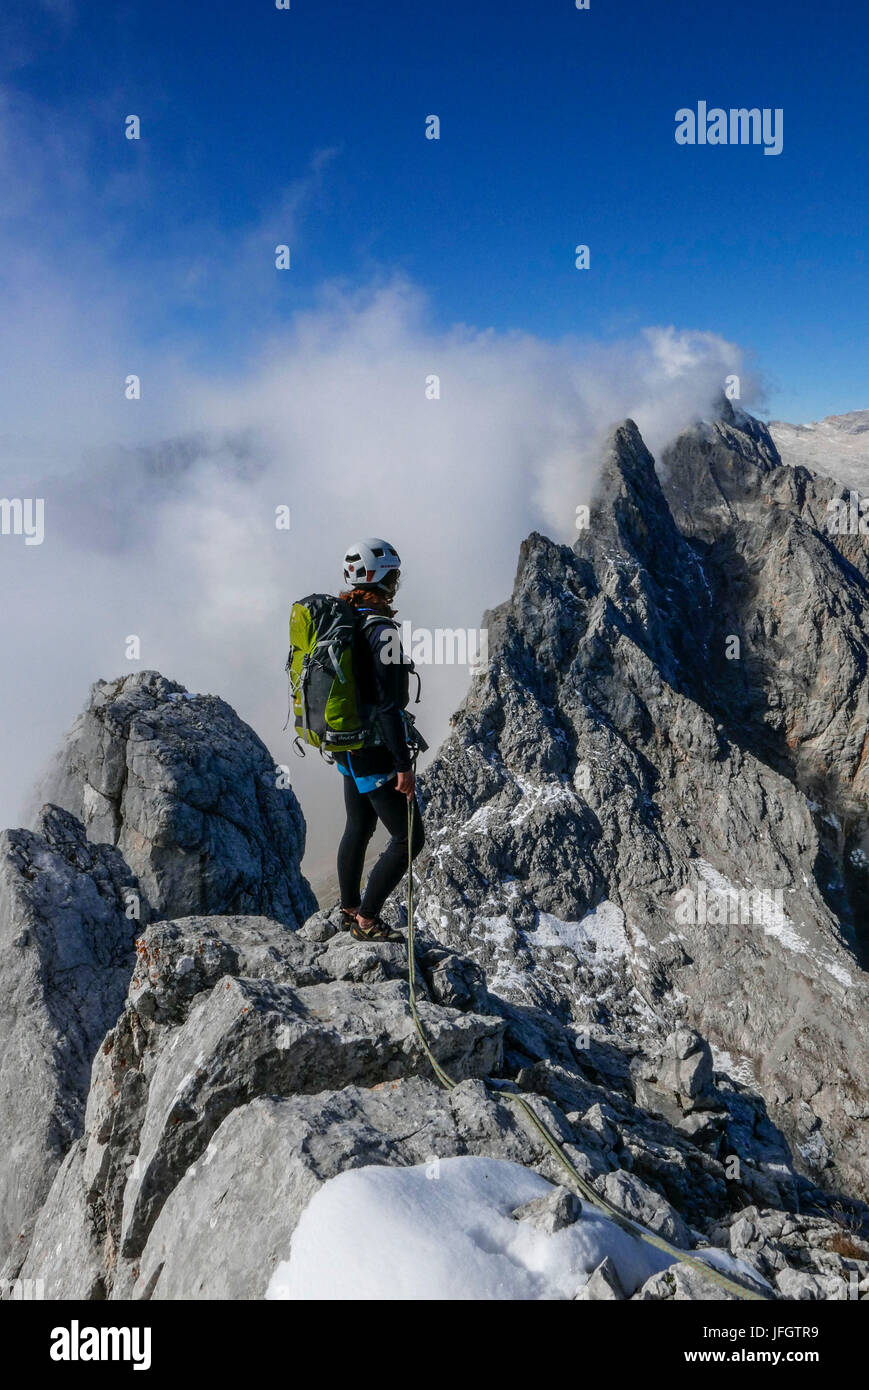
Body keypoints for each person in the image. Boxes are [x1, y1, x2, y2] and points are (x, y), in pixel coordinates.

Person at [334, 538, 425, 941]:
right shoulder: (382, 629)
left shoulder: (346, 616)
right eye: (394, 576)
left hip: (346, 744)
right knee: (409, 837)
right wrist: (402, 766)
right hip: (373, 749)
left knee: (359, 823)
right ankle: (367, 921)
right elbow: (388, 707)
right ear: (382, 579)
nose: (397, 583)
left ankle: (349, 907)